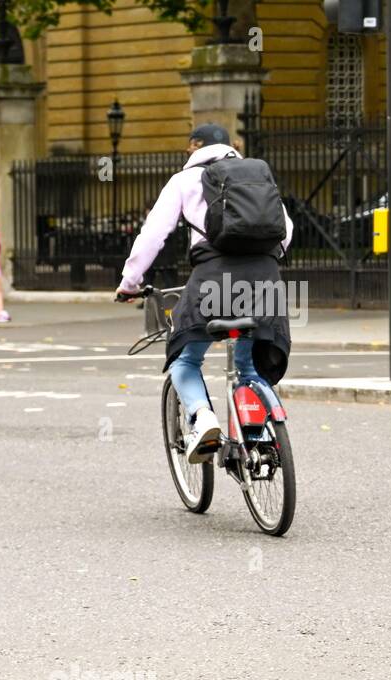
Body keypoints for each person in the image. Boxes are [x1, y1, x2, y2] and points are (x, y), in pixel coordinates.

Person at [117, 124, 293, 462]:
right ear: (231, 145)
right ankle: (255, 437)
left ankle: (203, 418)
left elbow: (153, 235)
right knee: (251, 366)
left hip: (213, 279)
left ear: (195, 146)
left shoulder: (184, 181)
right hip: (266, 280)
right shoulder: (258, 174)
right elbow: (285, 232)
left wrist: (129, 283)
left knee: (185, 359)